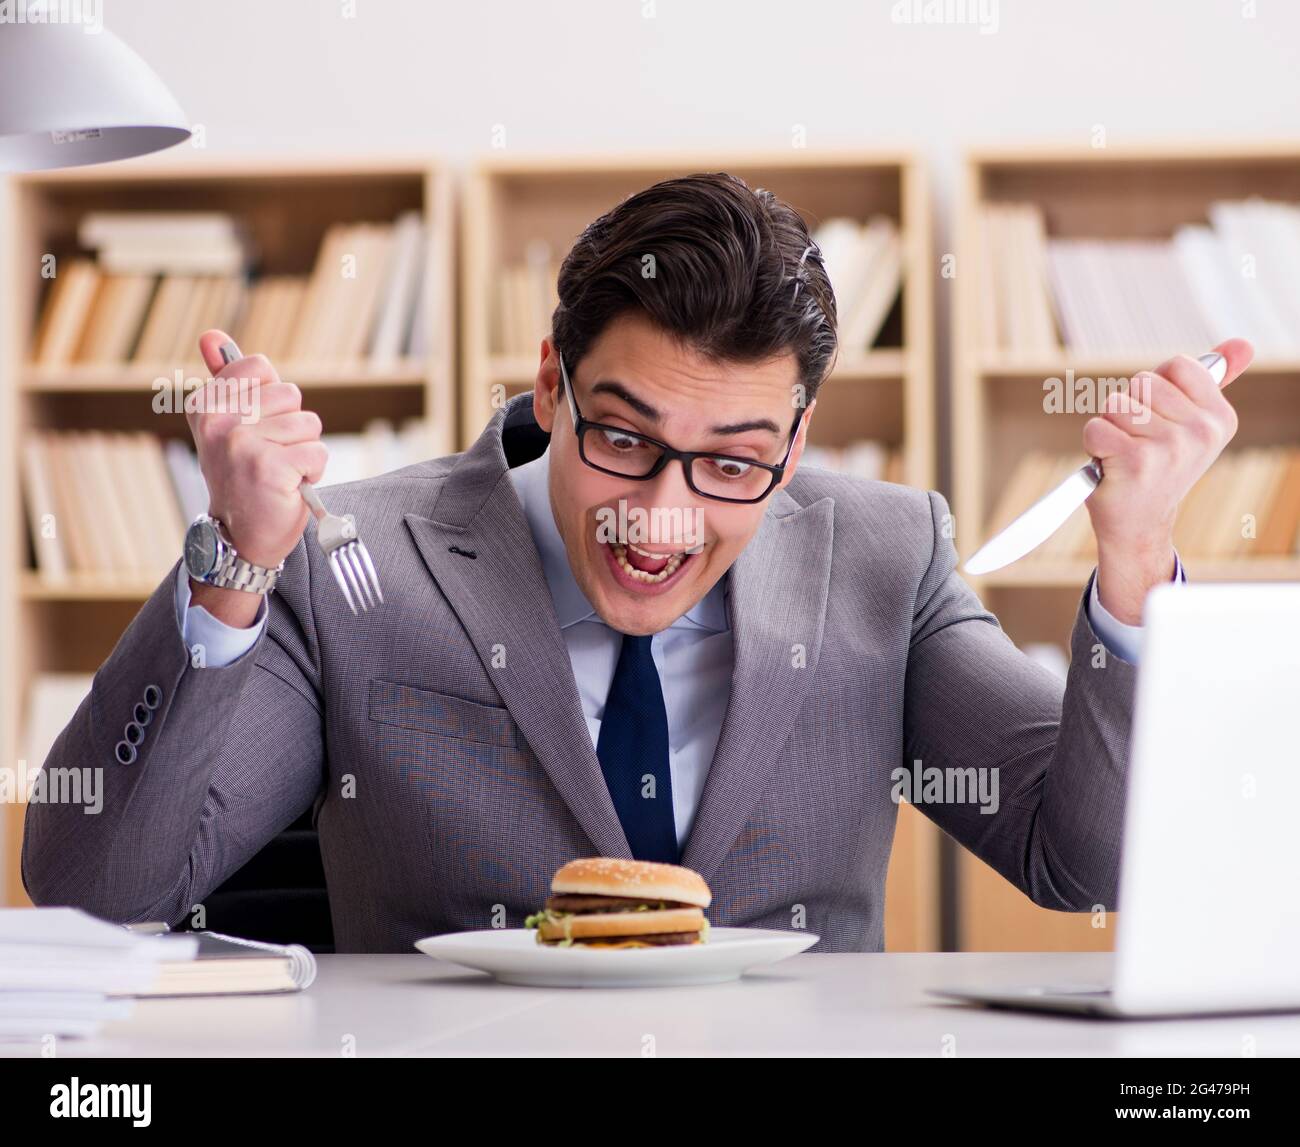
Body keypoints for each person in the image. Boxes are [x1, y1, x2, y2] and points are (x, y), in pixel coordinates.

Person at [23, 173, 1250, 952]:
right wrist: (234, 557)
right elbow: (98, 889)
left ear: (799, 441)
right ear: (551, 386)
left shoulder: (884, 555)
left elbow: (1082, 862)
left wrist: (1136, 559)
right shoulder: (353, 560)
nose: (659, 521)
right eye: (622, 439)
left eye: (731, 462)